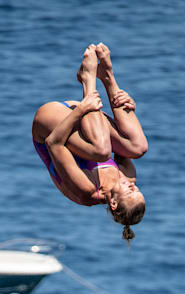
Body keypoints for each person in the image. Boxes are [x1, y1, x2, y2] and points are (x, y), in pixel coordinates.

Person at [32, 44, 148, 241]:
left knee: (102, 151)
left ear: (113, 203)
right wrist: (130, 107)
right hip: (87, 120)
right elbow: (124, 139)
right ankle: (108, 77)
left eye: (130, 192)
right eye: (137, 189)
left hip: (50, 124)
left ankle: (88, 80)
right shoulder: (127, 176)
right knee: (138, 147)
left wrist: (82, 109)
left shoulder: (87, 190)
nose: (132, 186)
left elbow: (54, 143)